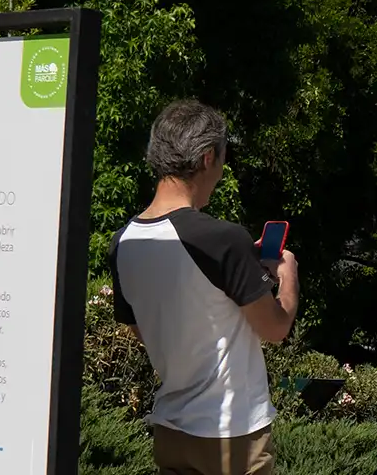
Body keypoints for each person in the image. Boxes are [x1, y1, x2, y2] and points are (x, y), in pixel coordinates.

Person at [109, 100, 300, 475]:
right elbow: (276, 329)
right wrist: (288, 277)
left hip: (171, 431)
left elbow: (142, 330)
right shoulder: (221, 240)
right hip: (231, 433)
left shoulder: (123, 242)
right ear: (209, 158)